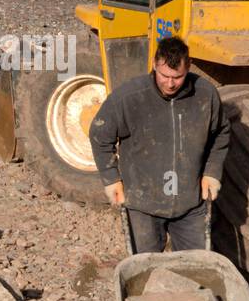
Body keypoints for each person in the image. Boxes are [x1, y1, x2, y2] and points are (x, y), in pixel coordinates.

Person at [89, 36, 230, 252]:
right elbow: (100, 134)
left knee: (196, 268)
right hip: (142, 204)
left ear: (189, 67)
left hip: (190, 203)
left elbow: (221, 133)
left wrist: (212, 172)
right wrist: (111, 179)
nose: (170, 83)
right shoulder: (129, 97)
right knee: (145, 269)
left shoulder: (205, 95)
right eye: (164, 75)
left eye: (178, 76)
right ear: (155, 64)